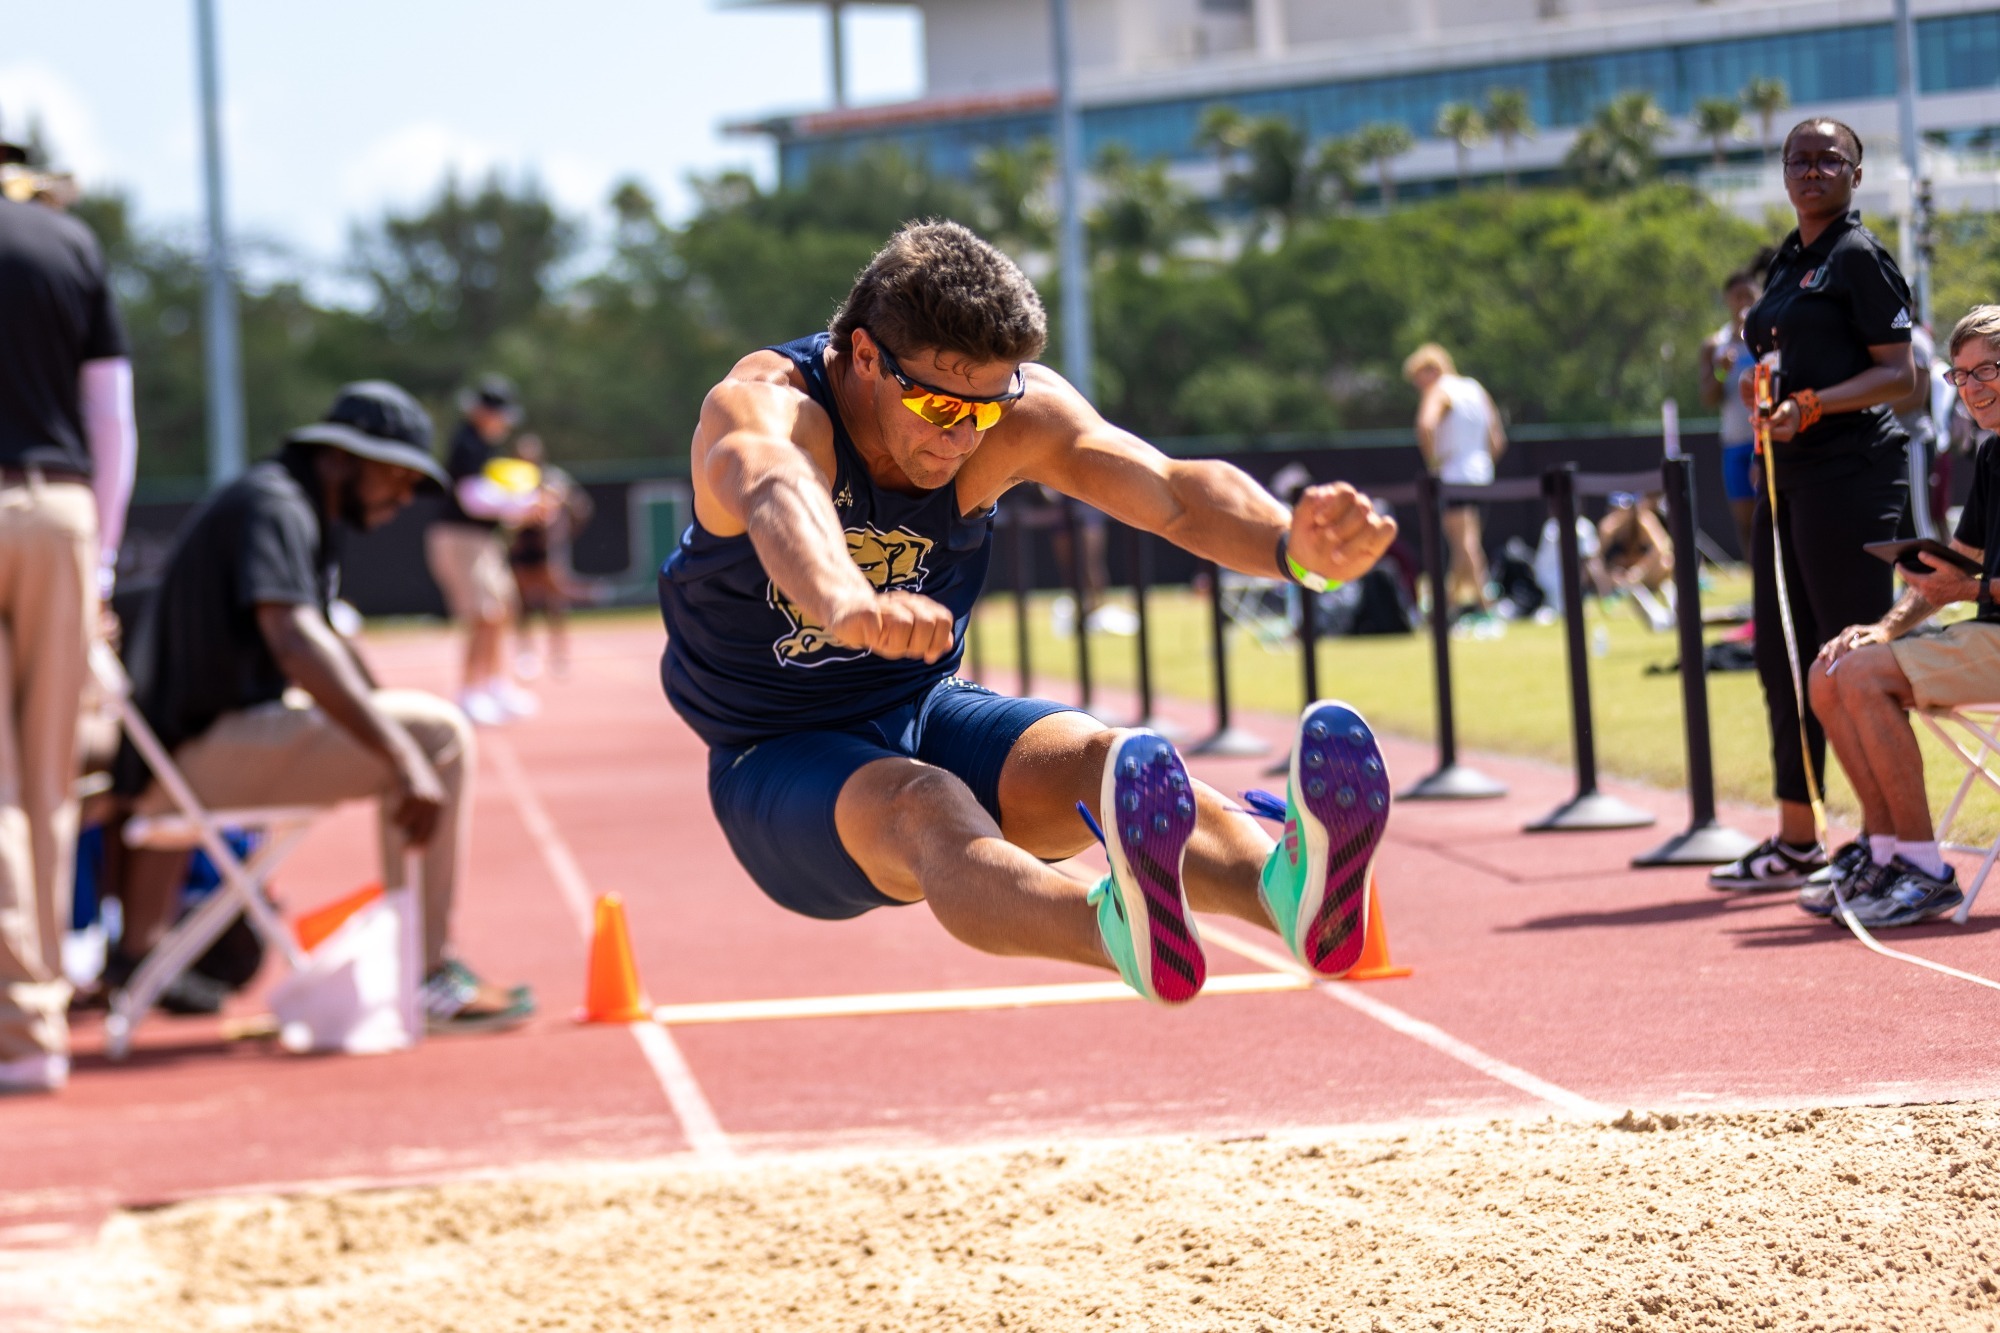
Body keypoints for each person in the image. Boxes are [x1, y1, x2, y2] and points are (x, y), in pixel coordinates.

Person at [658, 221, 1398, 1005]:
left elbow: (1173, 494)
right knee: (927, 804)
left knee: (1110, 761)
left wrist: (1292, 546)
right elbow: (775, 487)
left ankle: (1286, 891)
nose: (962, 437)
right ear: (866, 355)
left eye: (984, 410)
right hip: (772, 750)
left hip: (922, 703)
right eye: (939, 406)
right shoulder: (767, 406)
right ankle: (1114, 931)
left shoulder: (1007, 414)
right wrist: (841, 595)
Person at [111, 382, 533, 1033]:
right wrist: (400, 753)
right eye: (396, 477)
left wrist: (385, 720)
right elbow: (296, 641)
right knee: (438, 735)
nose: (403, 498)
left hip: (193, 753)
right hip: (192, 761)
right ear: (340, 459)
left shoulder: (293, 506)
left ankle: (418, 968)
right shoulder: (276, 504)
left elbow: (328, 644)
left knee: (413, 728)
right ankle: (425, 975)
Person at [1708, 118, 1917, 894]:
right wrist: (1760, 388)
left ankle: (1888, 843)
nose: (1812, 170)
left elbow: (1901, 376)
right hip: (1785, 479)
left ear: (1856, 175)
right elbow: (1778, 354)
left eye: (1830, 160)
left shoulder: (1858, 256)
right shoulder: (1788, 261)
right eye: (1799, 159)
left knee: (1848, 662)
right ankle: (1800, 838)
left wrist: (1813, 405)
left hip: (1851, 476)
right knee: (1782, 660)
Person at [0, 136, 138, 1094]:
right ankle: (38, 1024)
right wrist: (103, 566)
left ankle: (17, 1019)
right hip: (61, 511)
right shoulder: (68, 242)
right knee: (48, 785)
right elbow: (111, 418)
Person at [1805, 306, 2000, 925]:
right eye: (1961, 375)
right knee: (1830, 669)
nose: (1972, 387)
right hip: (1987, 636)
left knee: (1862, 676)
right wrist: (1884, 627)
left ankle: (1923, 872)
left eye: (1988, 369)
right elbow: (1960, 563)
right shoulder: (1992, 455)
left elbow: (1964, 580)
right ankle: (1885, 851)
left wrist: (1966, 588)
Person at [426, 375, 553, 726]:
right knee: (482, 614)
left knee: (501, 610)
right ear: (482, 412)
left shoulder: (483, 446)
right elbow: (472, 499)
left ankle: (495, 685)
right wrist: (525, 505)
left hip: (482, 540)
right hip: (460, 538)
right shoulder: (466, 444)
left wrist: (527, 505)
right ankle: (469, 692)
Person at [1403, 344, 1505, 634]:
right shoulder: (1475, 388)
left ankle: (1487, 608)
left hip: (1453, 476)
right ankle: (1444, 609)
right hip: (1481, 475)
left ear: (1431, 369)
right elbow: (1497, 440)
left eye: (1419, 378)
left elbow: (1425, 425)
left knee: (1465, 544)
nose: (1419, 387)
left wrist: (1434, 464)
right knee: (1466, 545)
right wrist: (1482, 463)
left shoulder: (1439, 389)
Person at [507, 434, 592, 680]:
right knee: (522, 605)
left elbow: (580, 507)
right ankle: (526, 656)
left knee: (554, 604)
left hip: (548, 552)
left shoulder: (554, 478)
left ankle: (559, 655)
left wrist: (562, 532)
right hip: (521, 550)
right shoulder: (512, 480)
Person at [1701, 261, 1764, 559]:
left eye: (1748, 296)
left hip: (1766, 442)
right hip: (1735, 443)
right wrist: (1721, 370)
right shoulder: (1715, 345)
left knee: (1771, 516)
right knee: (1745, 521)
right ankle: (1757, 578)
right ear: (1727, 300)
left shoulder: (1769, 338)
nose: (1743, 303)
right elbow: (1708, 398)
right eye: (1737, 297)